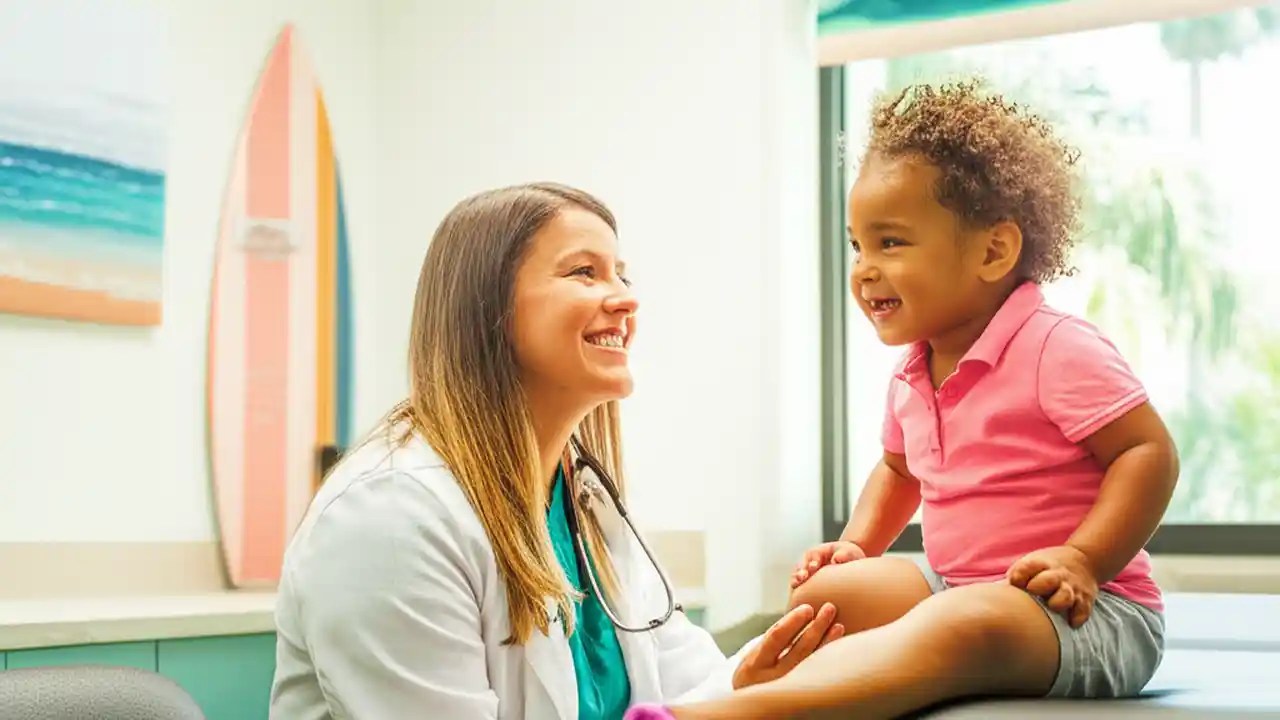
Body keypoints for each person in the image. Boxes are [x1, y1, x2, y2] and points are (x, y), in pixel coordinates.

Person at [624, 80, 1179, 720]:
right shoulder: (914, 371)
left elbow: (1148, 451)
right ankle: (787, 682)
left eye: (891, 243)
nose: (863, 268)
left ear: (993, 251)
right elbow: (898, 470)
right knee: (830, 594)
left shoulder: (1055, 347)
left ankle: (728, 714)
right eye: (858, 245)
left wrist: (1084, 560)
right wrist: (858, 545)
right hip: (958, 586)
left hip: (1090, 610)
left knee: (964, 621)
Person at [268, 182, 845, 719]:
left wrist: (752, 685)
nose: (625, 299)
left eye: (621, 274)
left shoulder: (586, 504)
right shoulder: (389, 517)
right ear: (488, 309)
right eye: (584, 272)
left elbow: (687, 686)